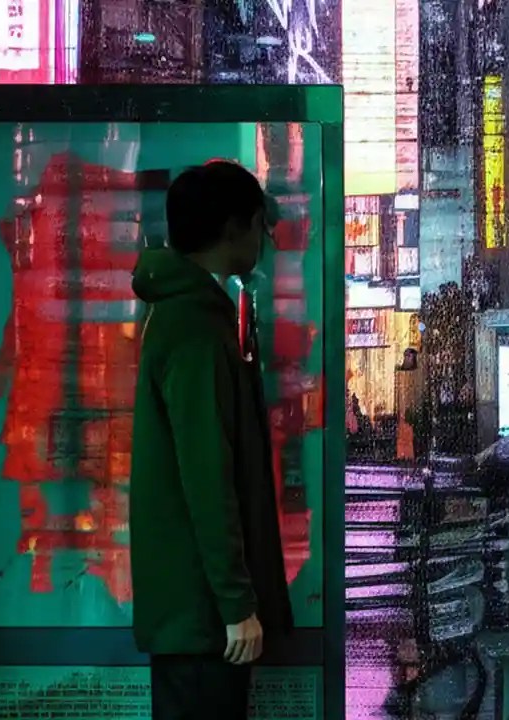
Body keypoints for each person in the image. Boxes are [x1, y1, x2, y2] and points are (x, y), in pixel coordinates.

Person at [129, 161, 292, 720]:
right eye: (259, 226)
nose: (265, 241)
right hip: (202, 623)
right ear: (233, 228)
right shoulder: (196, 328)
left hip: (195, 619)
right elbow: (206, 474)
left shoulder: (184, 315)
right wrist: (236, 603)